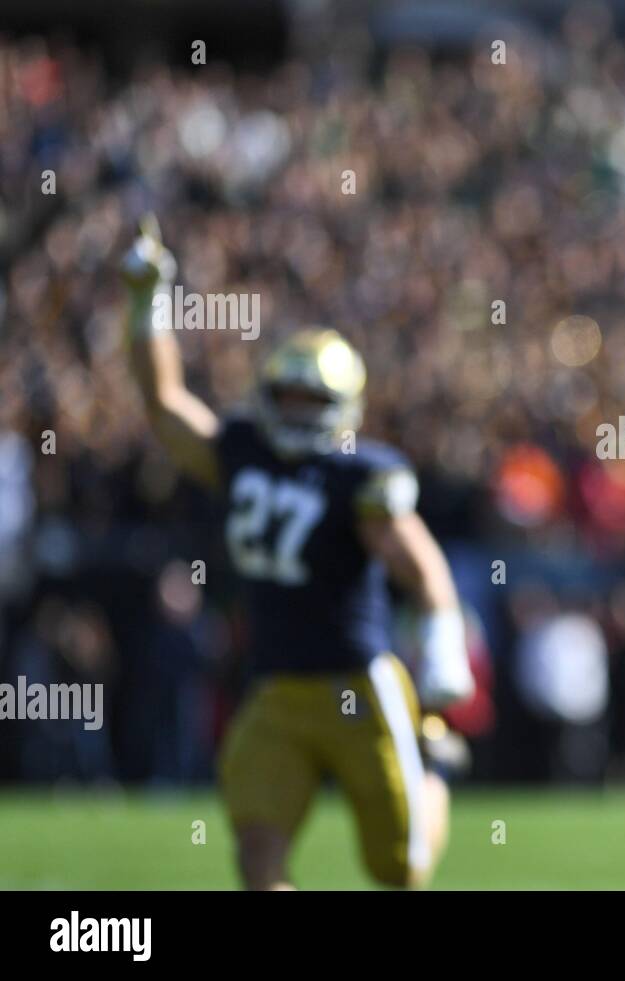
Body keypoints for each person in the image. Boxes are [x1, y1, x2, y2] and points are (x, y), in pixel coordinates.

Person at [120, 218, 473, 889]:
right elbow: (164, 403)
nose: (297, 408)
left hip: (358, 686)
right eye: (287, 394)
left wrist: (445, 640)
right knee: (258, 857)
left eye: (312, 398)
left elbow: (419, 562)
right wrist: (147, 303)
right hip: (277, 687)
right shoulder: (245, 448)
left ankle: (436, 770)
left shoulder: (357, 473)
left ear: (343, 405)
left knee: (402, 868)